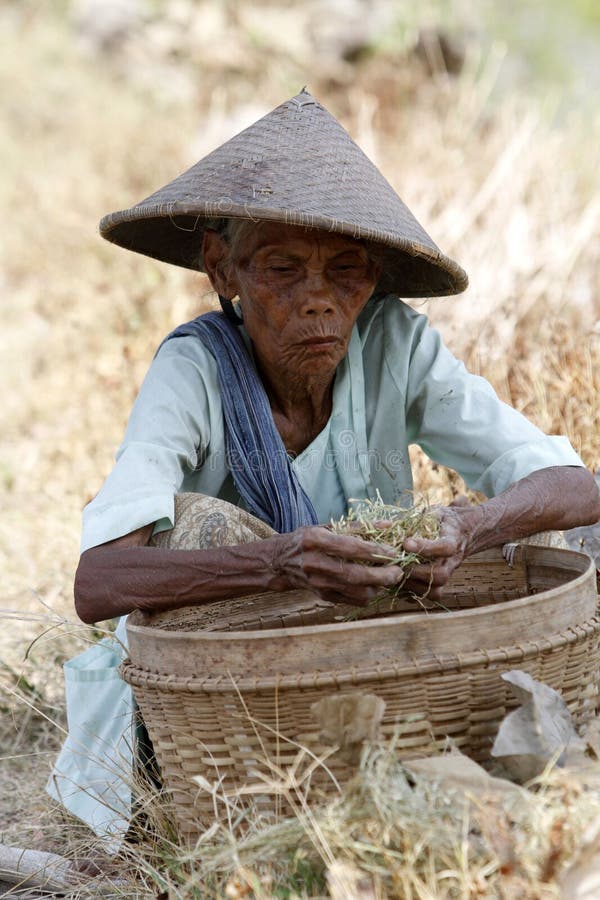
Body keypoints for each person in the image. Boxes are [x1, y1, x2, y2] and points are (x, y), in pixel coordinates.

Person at [47, 90, 600, 845]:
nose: (319, 303)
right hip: (240, 703)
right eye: (282, 269)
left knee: (571, 545)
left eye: (346, 272)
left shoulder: (394, 342)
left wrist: (469, 527)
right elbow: (100, 582)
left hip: (376, 665)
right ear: (222, 268)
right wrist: (283, 562)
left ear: (373, 279)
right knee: (197, 525)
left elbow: (574, 485)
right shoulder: (194, 370)